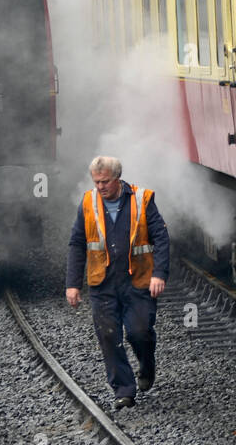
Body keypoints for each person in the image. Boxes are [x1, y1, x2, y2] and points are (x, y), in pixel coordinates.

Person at [66, 155, 169, 409]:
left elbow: (161, 238)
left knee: (139, 331)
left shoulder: (142, 199)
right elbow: (77, 244)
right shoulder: (88, 203)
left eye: (105, 181)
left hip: (138, 281)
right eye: (97, 182)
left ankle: (147, 365)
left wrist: (159, 274)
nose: (100, 187)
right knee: (109, 336)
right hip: (103, 284)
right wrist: (73, 283)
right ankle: (124, 390)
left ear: (118, 178)